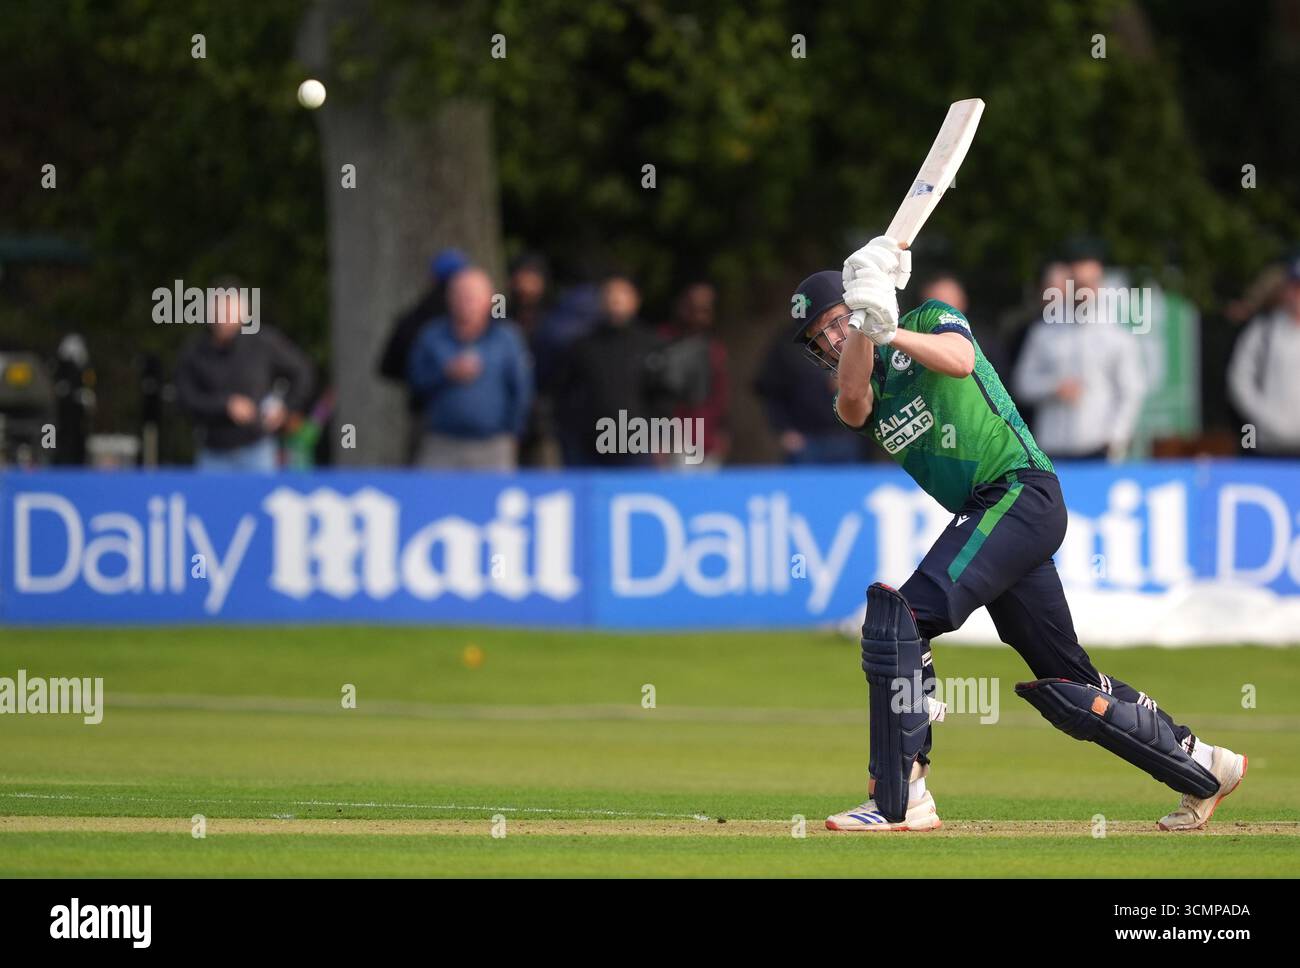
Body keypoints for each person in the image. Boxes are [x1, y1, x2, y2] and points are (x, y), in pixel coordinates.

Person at [790, 237, 1246, 833]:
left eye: (833, 325)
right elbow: (853, 401)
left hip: (1019, 492)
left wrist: (888, 328)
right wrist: (865, 330)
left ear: (859, 310)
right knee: (1070, 683)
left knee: (899, 619)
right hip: (997, 513)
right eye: (818, 339)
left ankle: (902, 797)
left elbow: (956, 360)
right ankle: (1204, 765)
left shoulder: (930, 317)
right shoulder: (862, 391)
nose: (829, 343)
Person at [1012, 254, 1146, 460]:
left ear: (1100, 285)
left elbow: (1131, 392)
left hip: (1097, 448)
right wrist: (1053, 388)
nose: (1083, 290)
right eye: (1077, 283)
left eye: (1090, 283)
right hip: (1052, 448)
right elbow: (1022, 383)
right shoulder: (1043, 332)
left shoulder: (1117, 337)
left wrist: (1116, 439)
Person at [175, 280, 314, 472]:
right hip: (212, 453)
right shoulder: (194, 352)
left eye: (231, 310)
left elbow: (302, 371)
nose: (225, 317)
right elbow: (185, 399)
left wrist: (286, 408)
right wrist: (224, 405)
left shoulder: (263, 342)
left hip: (258, 451)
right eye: (219, 310)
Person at [407, 267, 532, 470]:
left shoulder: (507, 339)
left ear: (489, 300)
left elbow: (520, 389)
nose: (467, 303)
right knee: (434, 499)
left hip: (494, 445)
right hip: (441, 443)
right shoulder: (431, 336)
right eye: (461, 295)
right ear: (449, 299)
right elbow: (414, 382)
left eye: (473, 297)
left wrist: (514, 432)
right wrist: (445, 374)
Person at [551, 274, 666, 466]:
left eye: (622, 294)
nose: (616, 300)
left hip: (637, 447)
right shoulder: (582, 347)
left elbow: (661, 397)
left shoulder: (651, 345)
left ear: (635, 300)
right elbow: (564, 393)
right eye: (610, 294)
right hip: (589, 448)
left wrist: (660, 437)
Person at [1227, 253, 1300, 455]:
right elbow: (1240, 381)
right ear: (1286, 291)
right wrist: (1266, 417)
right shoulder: (1263, 332)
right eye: (1295, 288)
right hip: (1268, 445)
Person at [656, 280, 729, 468]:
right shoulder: (663, 344)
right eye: (694, 308)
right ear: (682, 306)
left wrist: (722, 431)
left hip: (708, 440)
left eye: (705, 309)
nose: (699, 315)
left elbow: (720, 396)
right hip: (676, 441)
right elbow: (657, 396)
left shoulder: (714, 349)